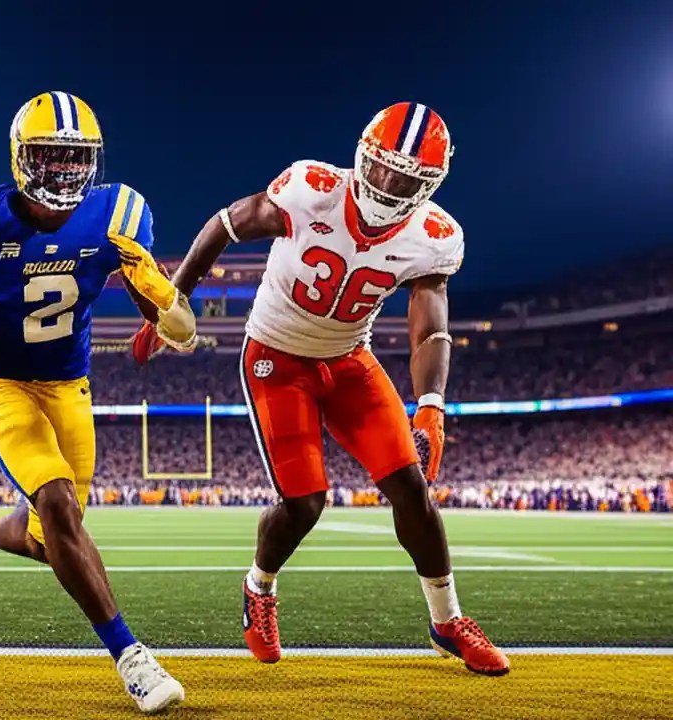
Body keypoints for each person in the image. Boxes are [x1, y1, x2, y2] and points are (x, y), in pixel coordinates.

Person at [133, 102, 509, 676]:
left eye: (405, 177)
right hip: (276, 359)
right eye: (380, 167)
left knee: (413, 488)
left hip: (349, 360)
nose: (386, 182)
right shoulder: (312, 188)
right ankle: (259, 589)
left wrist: (431, 404)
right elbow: (225, 224)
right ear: (362, 154)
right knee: (306, 503)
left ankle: (446, 619)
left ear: (429, 184)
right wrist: (171, 302)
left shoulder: (434, 236)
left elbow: (431, 327)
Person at [0, 91, 195, 713]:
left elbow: (162, 320)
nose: (64, 172)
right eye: (50, 157)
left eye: (76, 159)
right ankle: (131, 657)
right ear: (23, 158)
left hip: (70, 385)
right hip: (1, 380)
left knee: (57, 534)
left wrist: (168, 312)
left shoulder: (118, 216)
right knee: (55, 504)